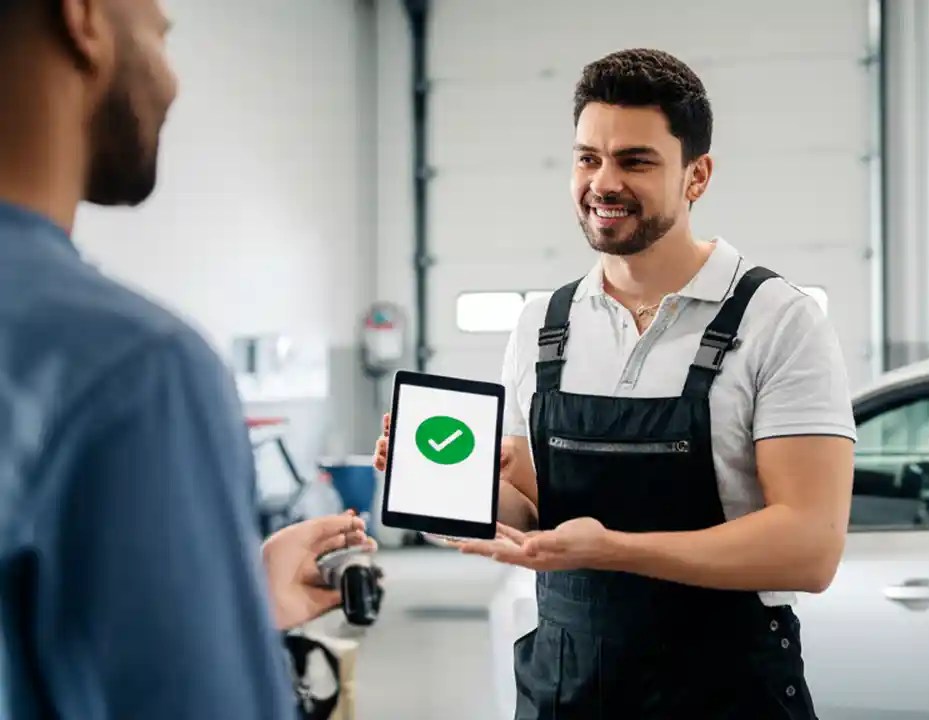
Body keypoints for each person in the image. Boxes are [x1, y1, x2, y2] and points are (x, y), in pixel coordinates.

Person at [375, 48, 856, 718]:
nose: (603, 182)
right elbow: (528, 506)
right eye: (587, 157)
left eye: (635, 161)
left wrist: (616, 551)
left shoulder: (779, 321)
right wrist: (449, 484)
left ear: (698, 175)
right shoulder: (543, 325)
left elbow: (808, 548)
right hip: (568, 684)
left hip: (724, 687)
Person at [0, 1, 374, 717]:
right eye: (161, 34)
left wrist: (226, 605)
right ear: (82, 19)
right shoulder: (133, 370)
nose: (171, 83)